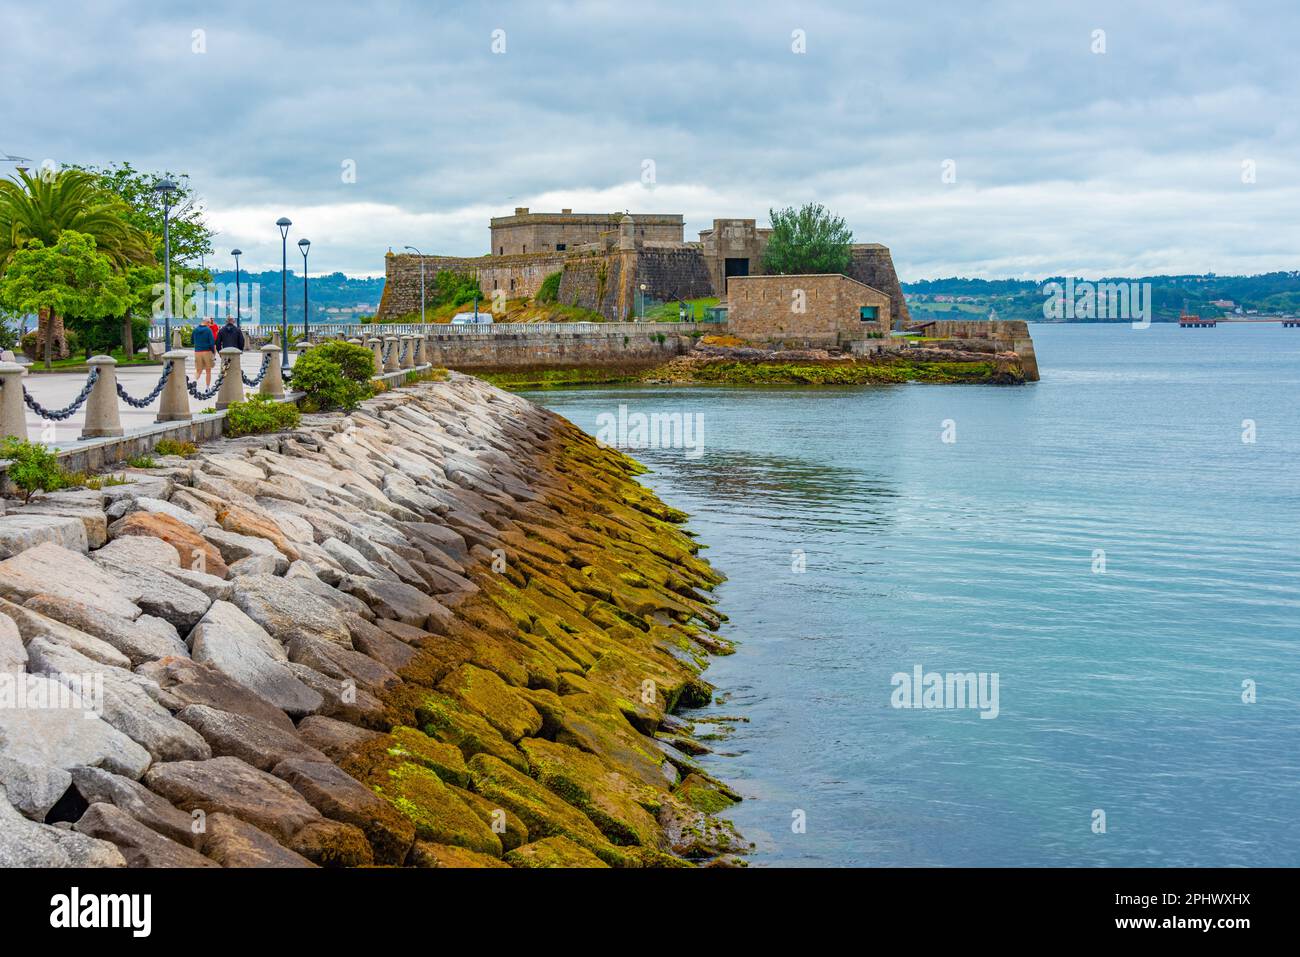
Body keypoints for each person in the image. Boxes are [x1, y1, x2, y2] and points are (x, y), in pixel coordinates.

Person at [190, 320, 217, 389]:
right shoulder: (208, 330)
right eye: (209, 323)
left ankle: (193, 383)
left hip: (197, 352)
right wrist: (213, 352)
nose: (210, 325)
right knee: (208, 371)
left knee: (198, 370)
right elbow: (212, 342)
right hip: (207, 352)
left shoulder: (195, 330)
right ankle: (207, 388)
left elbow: (192, 341)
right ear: (207, 322)